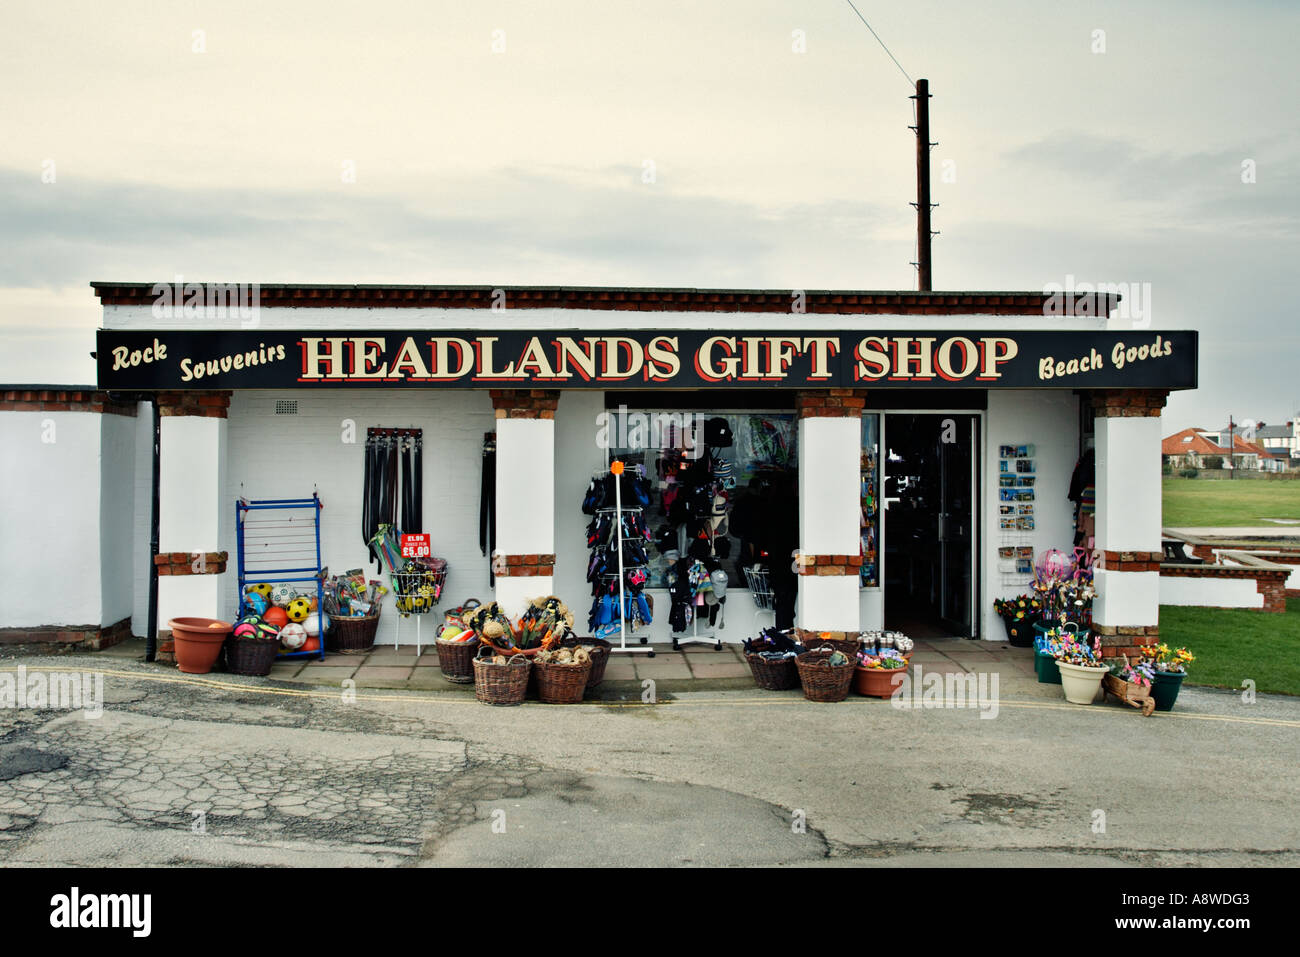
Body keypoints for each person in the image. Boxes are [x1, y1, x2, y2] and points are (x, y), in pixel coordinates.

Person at [760, 473, 799, 630]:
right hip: (790, 557)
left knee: (783, 599)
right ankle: (786, 632)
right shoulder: (795, 506)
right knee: (788, 599)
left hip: (777, 557)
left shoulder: (772, 506)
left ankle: (784, 632)